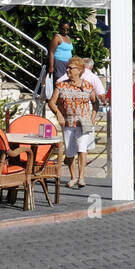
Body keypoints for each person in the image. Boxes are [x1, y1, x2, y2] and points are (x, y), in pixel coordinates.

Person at [47, 56, 97, 189]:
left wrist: (93, 116)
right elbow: (51, 102)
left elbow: (95, 102)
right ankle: (73, 177)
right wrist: (58, 114)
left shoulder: (87, 86)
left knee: (82, 148)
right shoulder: (61, 85)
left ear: (79, 70)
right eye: (67, 67)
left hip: (84, 123)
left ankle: (81, 178)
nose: (67, 69)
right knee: (70, 152)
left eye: (70, 68)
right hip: (68, 123)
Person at [48, 19, 74, 90]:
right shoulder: (57, 38)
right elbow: (51, 52)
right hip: (59, 63)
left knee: (66, 82)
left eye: (67, 29)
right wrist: (51, 66)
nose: (65, 31)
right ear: (60, 28)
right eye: (63, 29)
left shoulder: (68, 38)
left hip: (68, 64)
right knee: (59, 82)